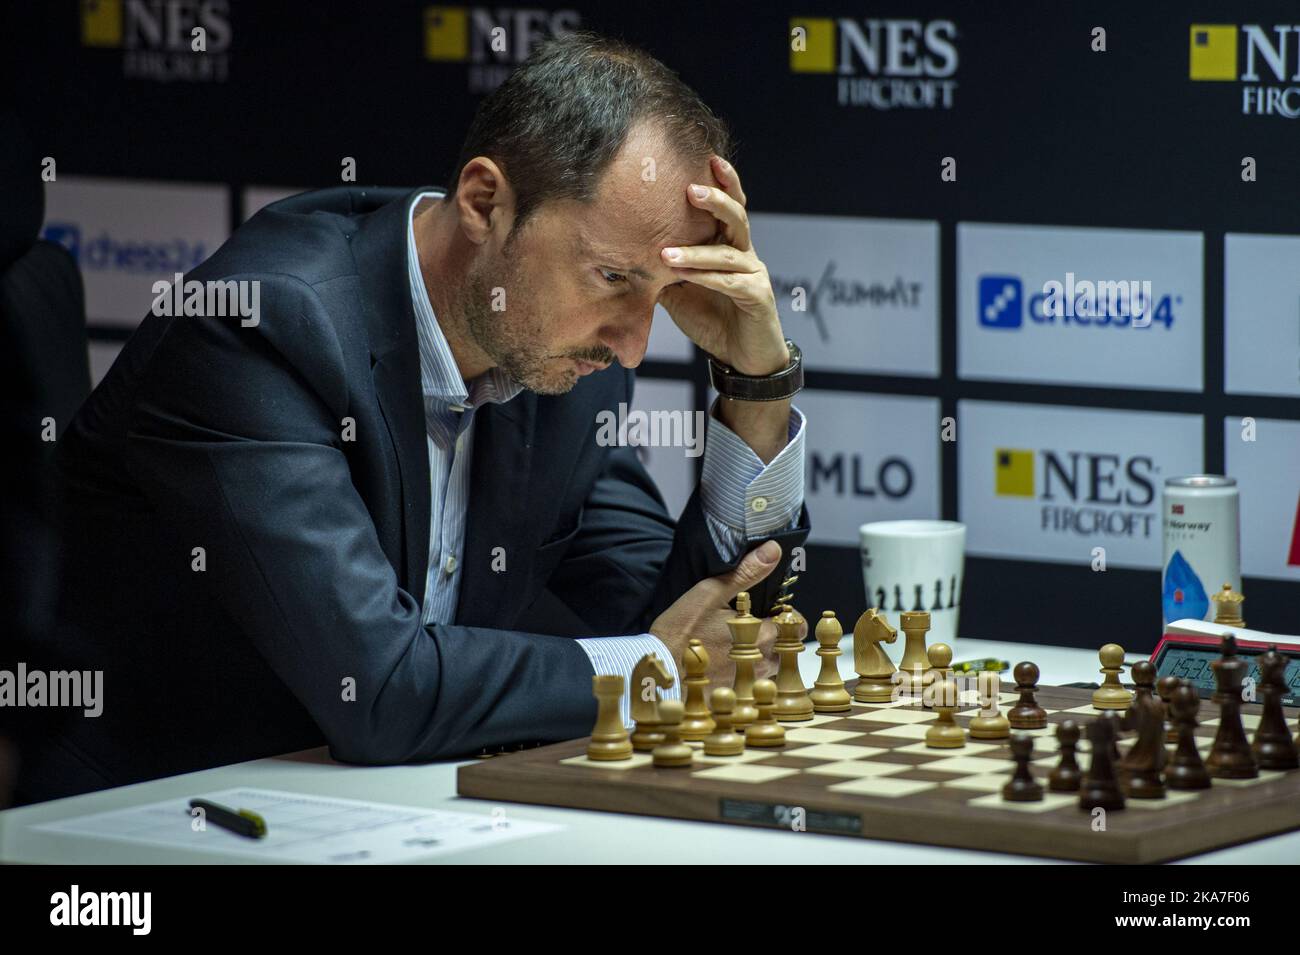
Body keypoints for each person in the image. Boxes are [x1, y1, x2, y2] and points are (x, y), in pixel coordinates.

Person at [22, 33, 810, 802]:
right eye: (612, 277)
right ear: (484, 202)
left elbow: (700, 623)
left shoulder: (568, 363)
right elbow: (377, 687)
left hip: (378, 809)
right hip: (159, 815)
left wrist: (756, 386)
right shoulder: (264, 327)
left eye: (661, 297)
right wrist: (653, 668)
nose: (635, 347)